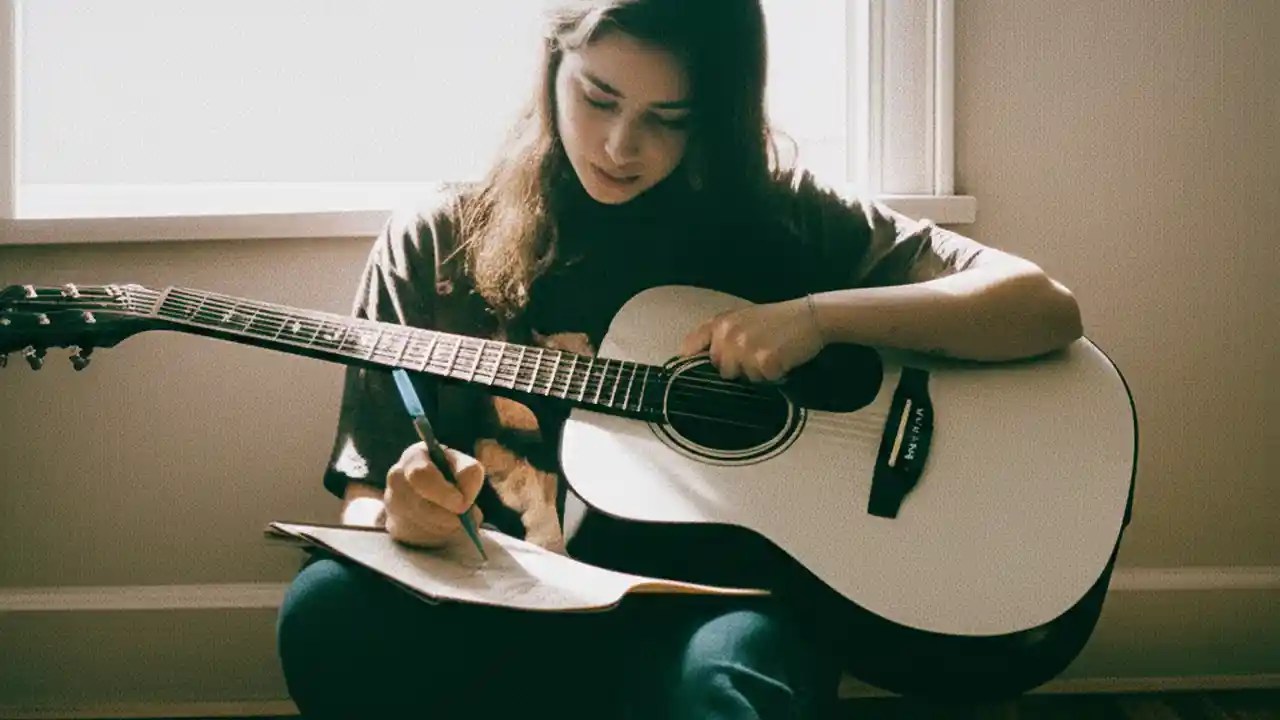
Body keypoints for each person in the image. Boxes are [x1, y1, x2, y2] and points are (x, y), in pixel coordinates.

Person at [275, 1, 1085, 717]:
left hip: (703, 614)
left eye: (670, 116)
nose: (621, 145)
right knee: (325, 615)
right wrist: (402, 515)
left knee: (736, 682)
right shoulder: (437, 240)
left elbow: (1042, 306)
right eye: (597, 97)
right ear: (554, 63)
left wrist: (816, 318)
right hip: (489, 602)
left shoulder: (782, 220)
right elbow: (364, 501)